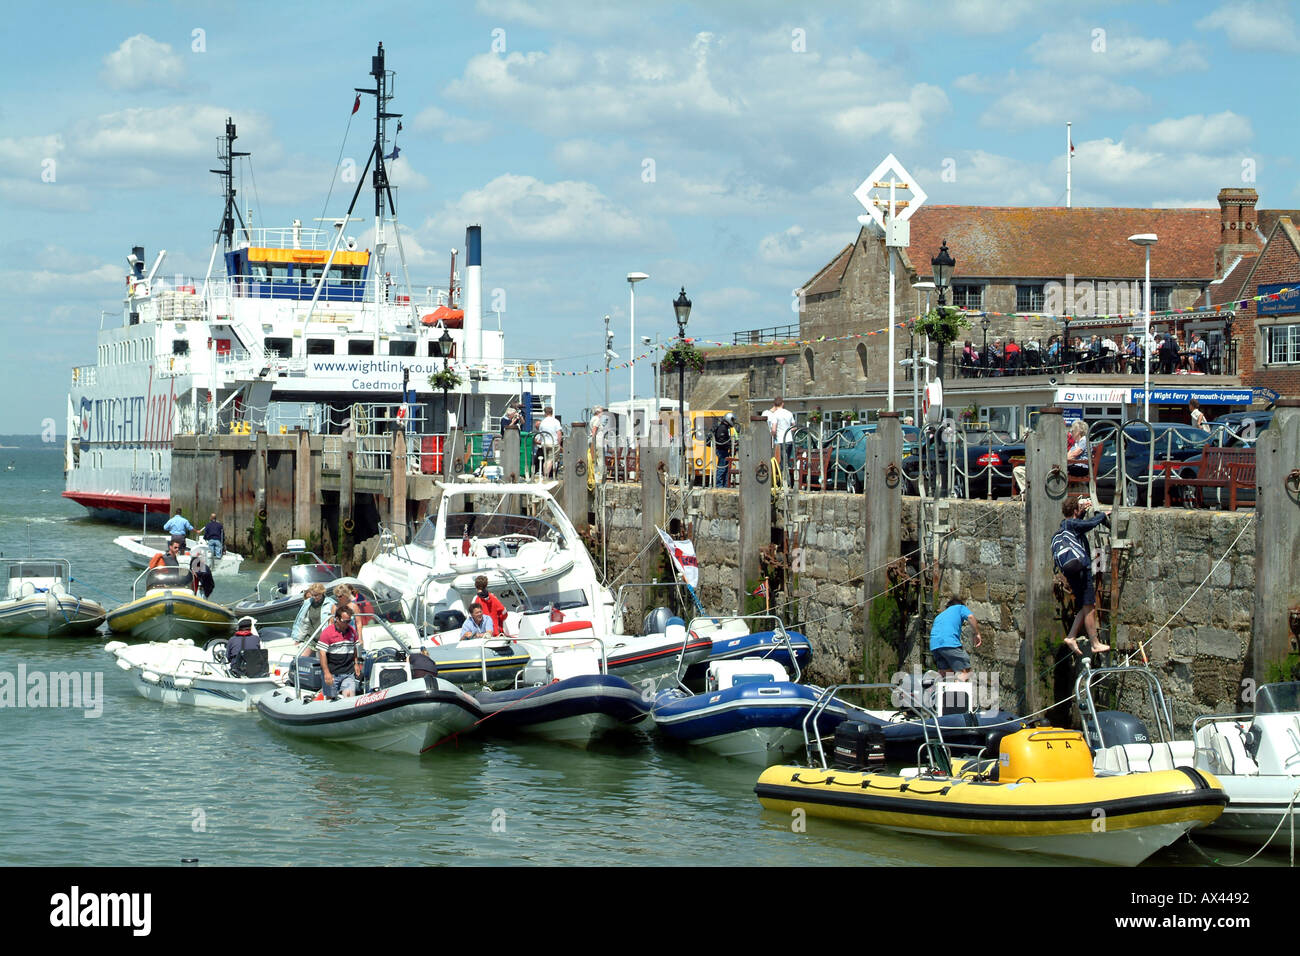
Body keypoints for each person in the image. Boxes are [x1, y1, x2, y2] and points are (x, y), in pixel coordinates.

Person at [1057, 495, 1111, 655]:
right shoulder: (1073, 524)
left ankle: (1071, 636)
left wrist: (1081, 511)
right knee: (1090, 607)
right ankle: (1095, 643)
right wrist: (1103, 515)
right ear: (1074, 510)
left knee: (1085, 606)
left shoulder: (1065, 524)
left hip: (1072, 571)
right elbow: (1090, 524)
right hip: (1082, 569)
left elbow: (1079, 523)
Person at [928, 597, 982, 680]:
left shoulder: (939, 616)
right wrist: (977, 633)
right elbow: (970, 617)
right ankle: (959, 690)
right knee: (965, 671)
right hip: (949, 642)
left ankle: (941, 690)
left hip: (935, 646)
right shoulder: (960, 607)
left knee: (947, 675)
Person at [319, 607, 364, 698]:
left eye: (349, 621)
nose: (348, 624)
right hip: (332, 673)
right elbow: (322, 654)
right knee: (330, 700)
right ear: (337, 619)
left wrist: (356, 664)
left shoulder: (352, 631)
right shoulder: (327, 633)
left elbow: (354, 648)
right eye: (345, 621)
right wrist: (326, 673)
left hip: (348, 673)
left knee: (349, 696)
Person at [767, 397, 796, 480]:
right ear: (782, 404)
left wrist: (773, 436)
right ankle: (787, 480)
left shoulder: (775, 414)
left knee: (779, 462)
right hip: (789, 440)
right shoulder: (789, 413)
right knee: (786, 461)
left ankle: (782, 480)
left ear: (774, 405)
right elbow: (794, 427)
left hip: (780, 441)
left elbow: (773, 429)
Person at [708, 412, 737, 487]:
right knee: (722, 469)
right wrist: (730, 444)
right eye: (732, 420)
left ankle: (725, 485)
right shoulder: (722, 428)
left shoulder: (725, 427)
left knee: (726, 469)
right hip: (721, 451)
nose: (733, 422)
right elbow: (721, 440)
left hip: (724, 450)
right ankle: (719, 485)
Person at [537, 405, 562, 477]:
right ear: (552, 412)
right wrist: (559, 443)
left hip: (544, 443)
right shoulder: (556, 421)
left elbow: (540, 434)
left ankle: (544, 475)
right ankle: (546, 476)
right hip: (553, 443)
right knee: (551, 460)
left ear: (545, 413)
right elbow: (559, 433)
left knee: (546, 460)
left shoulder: (542, 422)